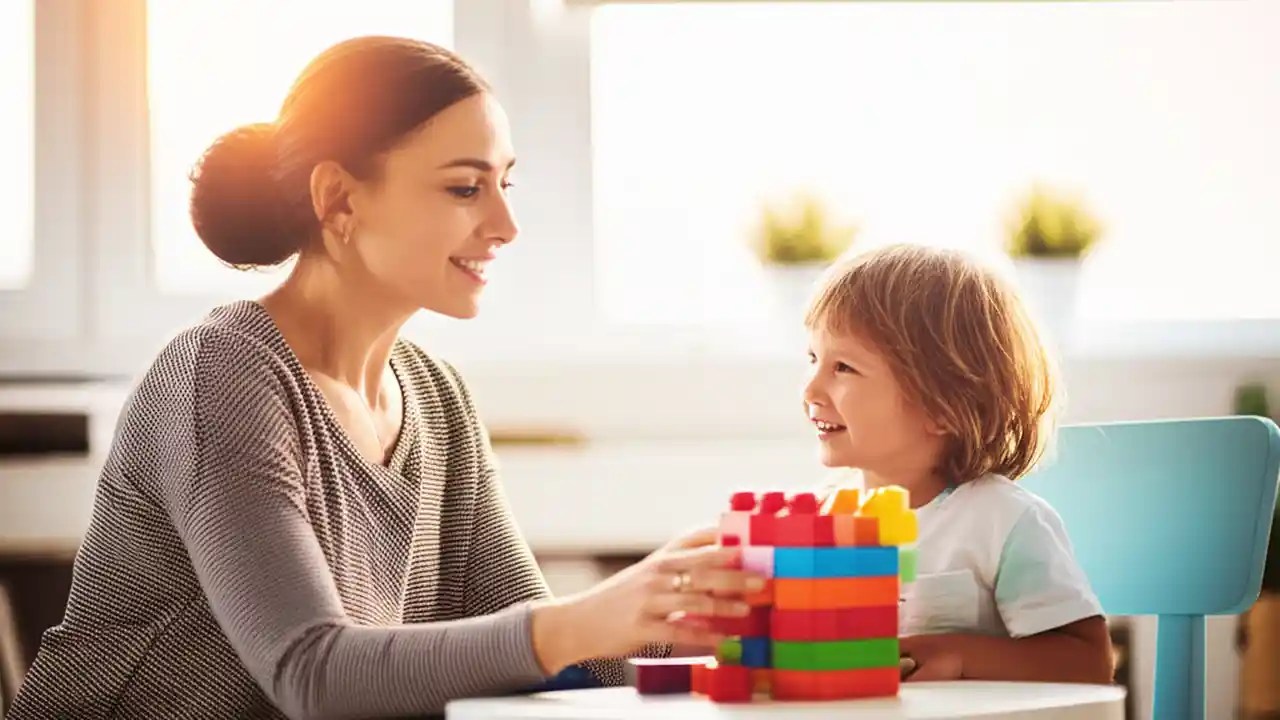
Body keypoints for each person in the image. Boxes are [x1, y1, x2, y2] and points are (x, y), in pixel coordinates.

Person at [7, 36, 763, 720]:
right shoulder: (221, 377)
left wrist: (759, 639)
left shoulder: (435, 398)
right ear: (338, 199)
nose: (505, 225)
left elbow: (560, 655)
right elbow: (312, 674)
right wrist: (589, 616)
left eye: (507, 183)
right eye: (466, 188)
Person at [801, 244, 1114, 684]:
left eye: (844, 368)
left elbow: (1089, 664)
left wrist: (959, 654)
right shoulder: (820, 519)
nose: (811, 390)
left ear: (943, 407)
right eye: (813, 359)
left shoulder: (1004, 523)